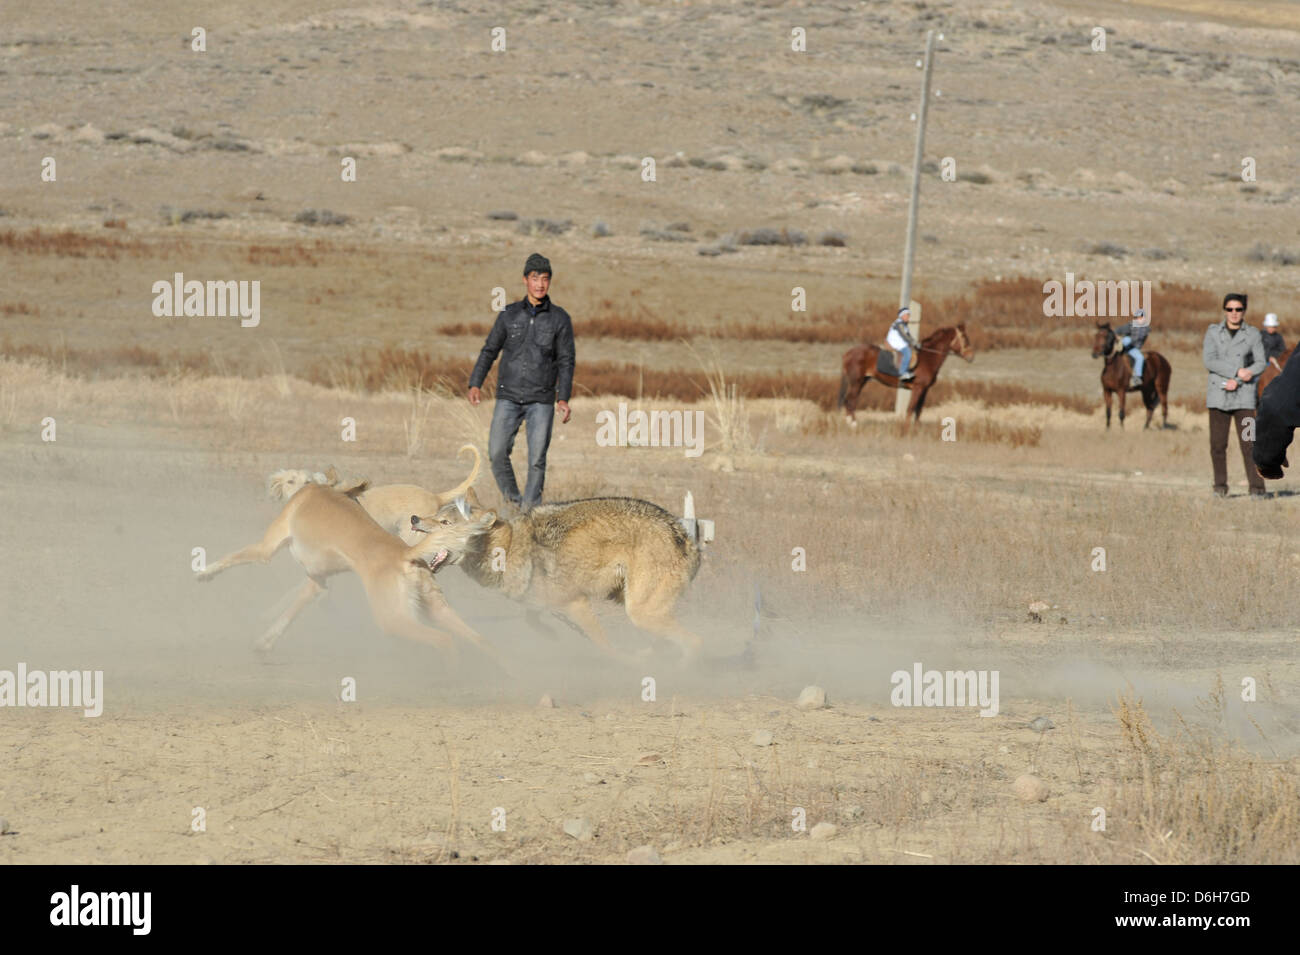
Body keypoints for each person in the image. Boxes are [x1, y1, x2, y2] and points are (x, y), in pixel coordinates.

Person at [467, 253, 574, 513]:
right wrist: (475, 382)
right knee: (496, 452)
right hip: (508, 396)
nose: (540, 284)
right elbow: (489, 350)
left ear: (549, 283)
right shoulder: (508, 314)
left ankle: (530, 513)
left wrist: (563, 397)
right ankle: (514, 502)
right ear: (525, 280)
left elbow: (566, 360)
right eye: (535, 278)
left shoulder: (560, 319)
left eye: (545, 279)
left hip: (541, 399)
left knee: (537, 459)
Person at [1203, 292, 1266, 497]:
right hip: (1218, 396)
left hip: (1245, 397)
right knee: (1218, 445)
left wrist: (1240, 378)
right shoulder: (1212, 332)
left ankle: (1257, 488)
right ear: (1224, 310)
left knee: (1251, 443)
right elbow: (1209, 361)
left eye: (1238, 309)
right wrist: (1235, 371)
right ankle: (1220, 487)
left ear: (1244, 311)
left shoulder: (1253, 334)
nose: (1234, 313)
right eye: (1230, 309)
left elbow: (1259, 362)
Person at [1114, 308, 1150, 388]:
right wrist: (1117, 337)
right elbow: (1117, 330)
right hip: (1125, 344)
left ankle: (1136, 378)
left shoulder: (1146, 329)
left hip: (1133, 349)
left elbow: (1138, 340)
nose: (1139, 319)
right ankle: (1118, 347)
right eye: (1137, 317)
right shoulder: (1131, 325)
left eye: (1141, 317)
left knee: (1140, 357)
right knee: (1127, 339)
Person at [886, 306, 919, 381]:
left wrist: (914, 342)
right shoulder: (899, 324)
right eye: (907, 315)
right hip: (894, 341)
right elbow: (903, 335)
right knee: (907, 352)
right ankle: (902, 372)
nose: (908, 317)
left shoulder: (904, 324)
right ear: (902, 315)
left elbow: (908, 335)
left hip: (899, 341)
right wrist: (912, 342)